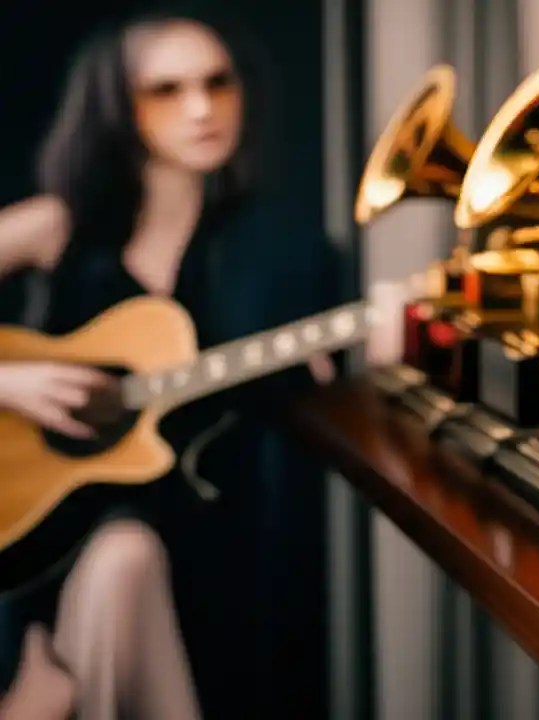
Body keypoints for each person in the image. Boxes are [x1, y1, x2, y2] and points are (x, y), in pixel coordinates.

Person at [0, 9, 343, 718]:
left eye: (218, 83)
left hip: (210, 543)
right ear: (115, 108)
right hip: (46, 532)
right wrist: (9, 379)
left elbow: (315, 384)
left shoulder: (273, 248)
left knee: (130, 560)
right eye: (166, 89)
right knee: (123, 556)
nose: (201, 108)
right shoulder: (56, 226)